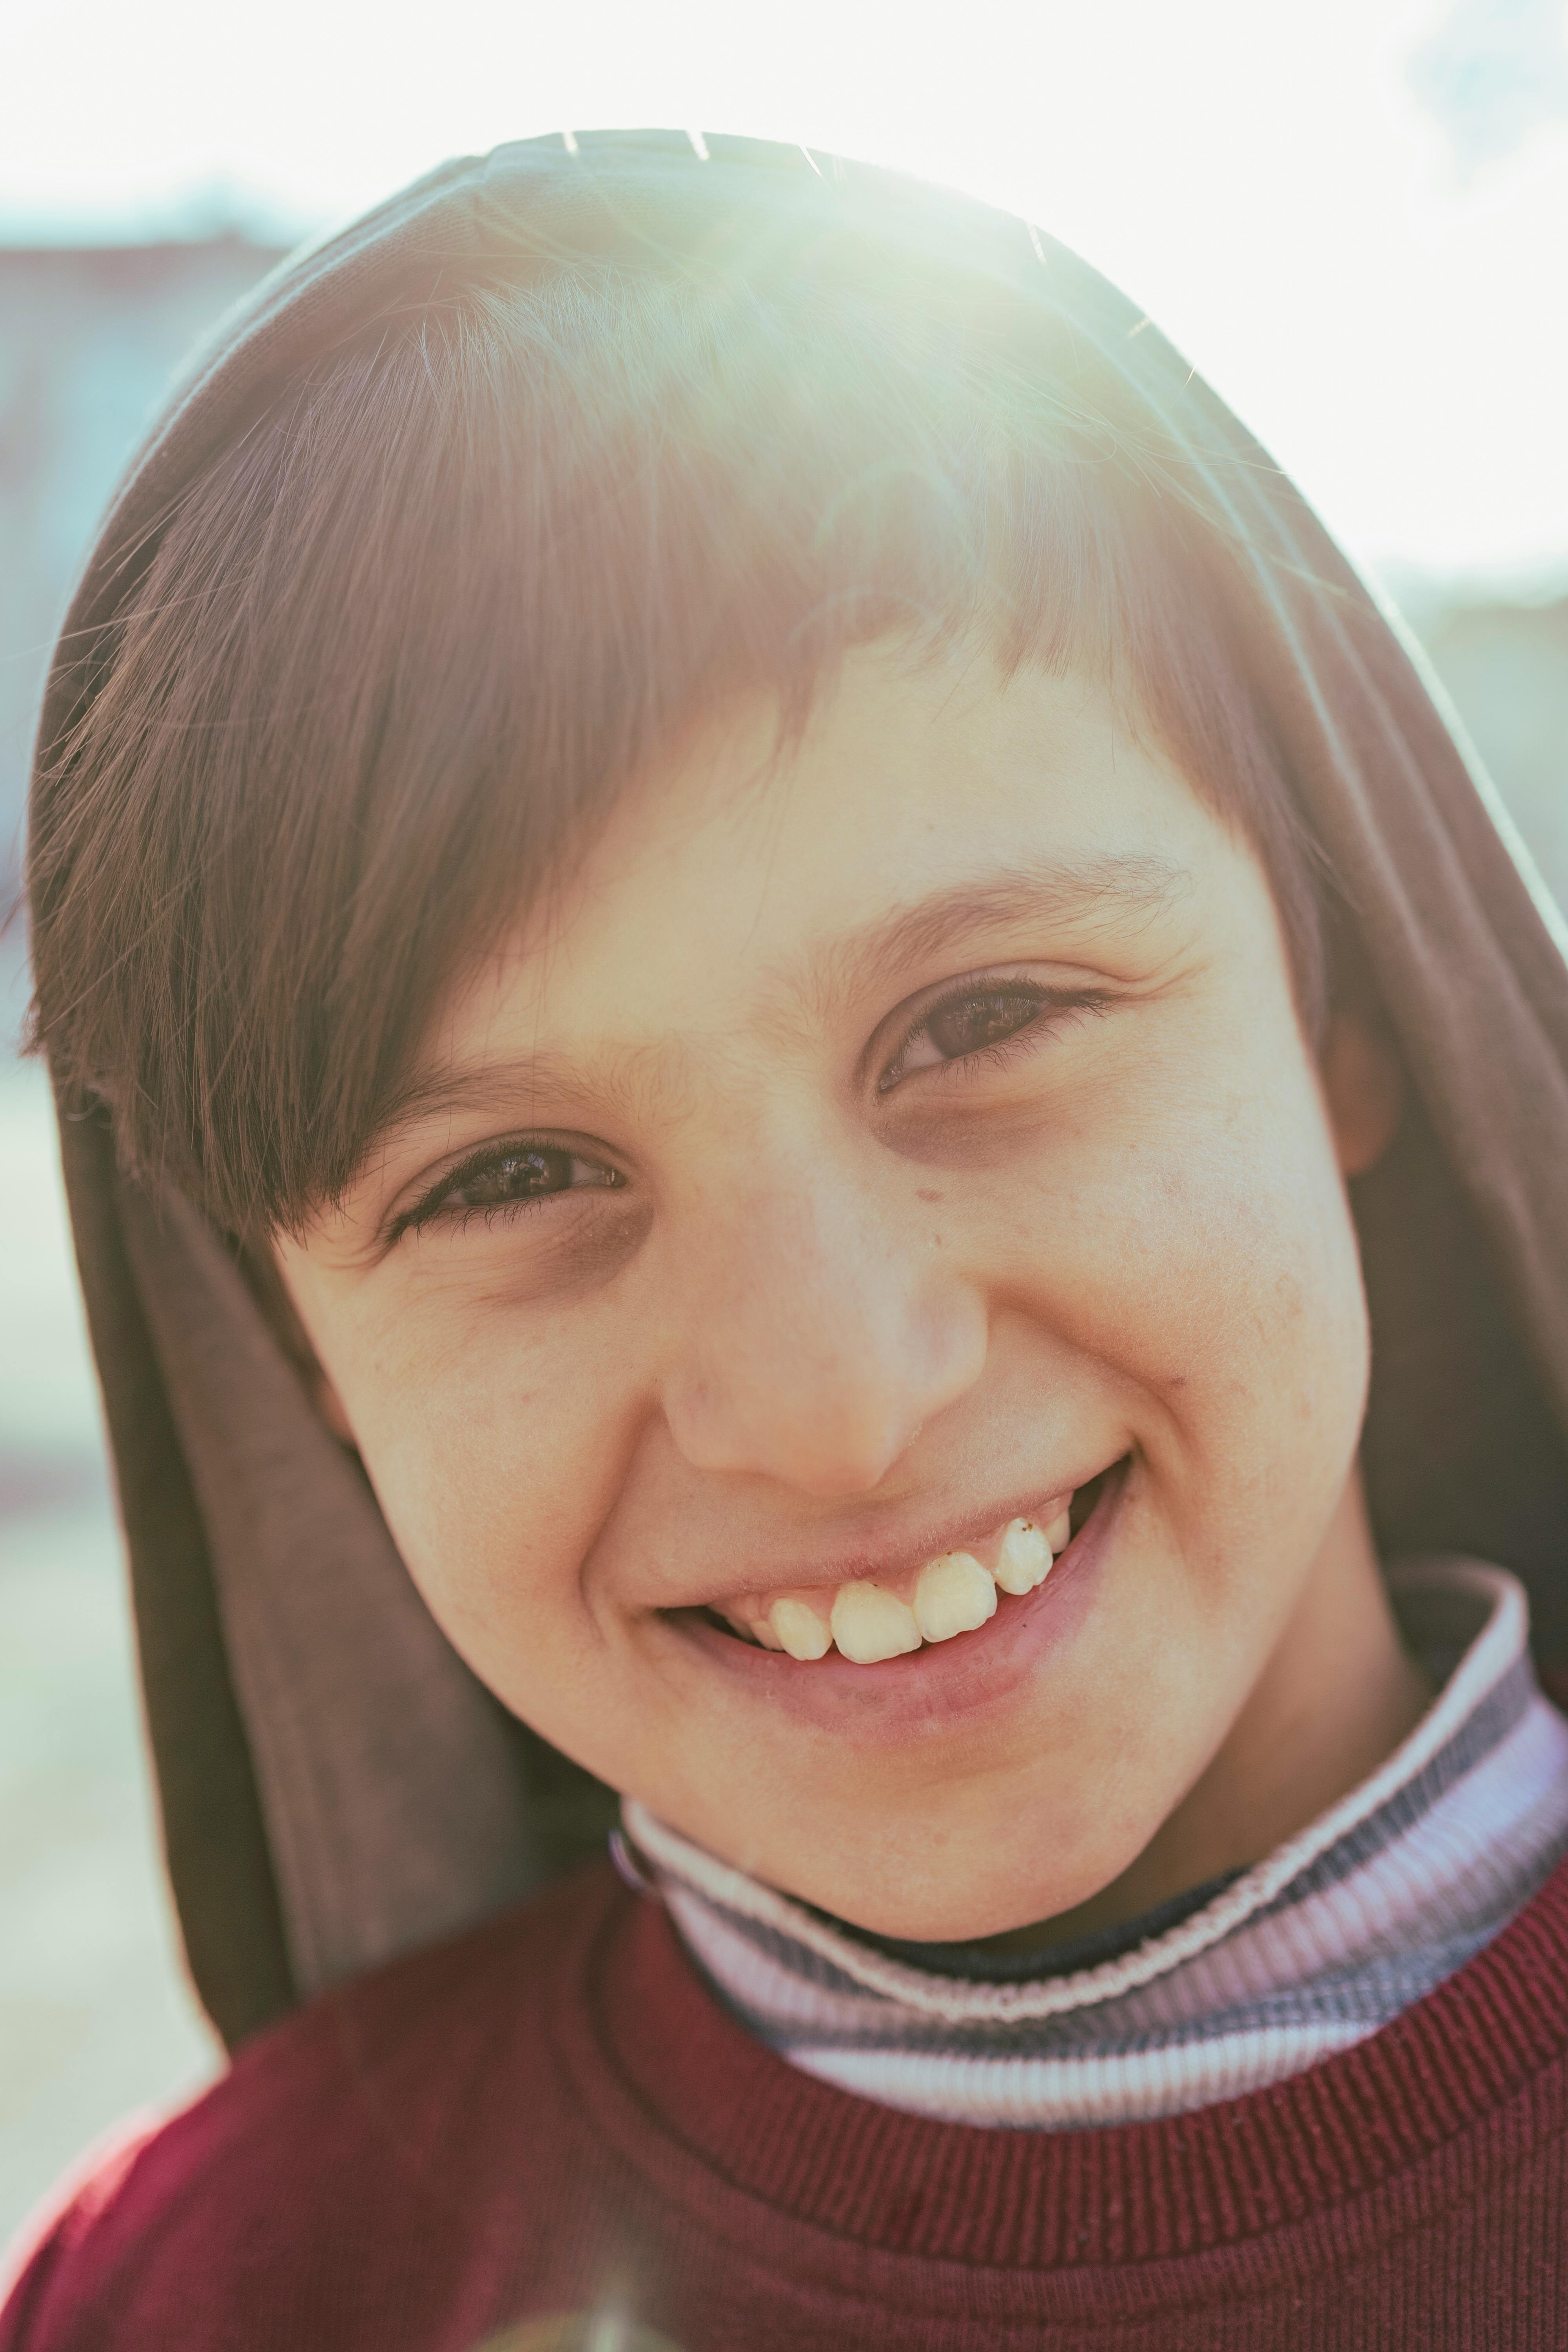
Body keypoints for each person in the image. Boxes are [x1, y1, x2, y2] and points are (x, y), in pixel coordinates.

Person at [5, 129, 1568, 2350]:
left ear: (1341, 1016)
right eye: (509, 1178)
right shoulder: (211, 2293)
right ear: (303, 1360)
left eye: (988, 1019)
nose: (841, 1404)